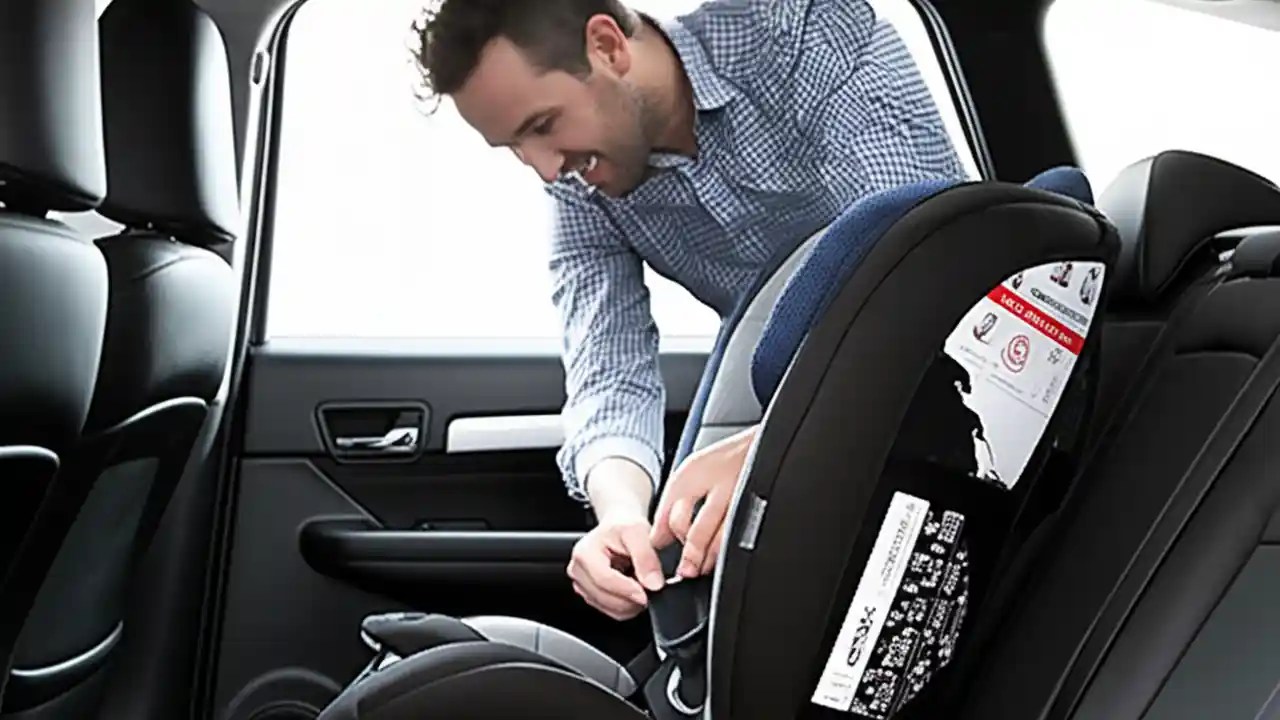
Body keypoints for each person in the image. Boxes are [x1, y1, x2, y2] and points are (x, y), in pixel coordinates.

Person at [410, 0, 967, 621]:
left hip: (945, 391)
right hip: (791, 409)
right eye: (515, 147)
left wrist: (779, 445)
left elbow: (931, 273)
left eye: (542, 125)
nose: (545, 168)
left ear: (607, 47)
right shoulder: (580, 189)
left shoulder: (804, 38)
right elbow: (608, 372)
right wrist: (619, 515)